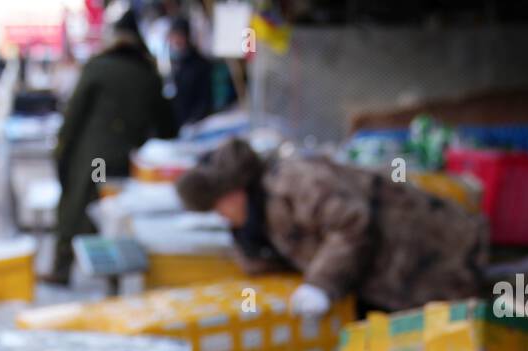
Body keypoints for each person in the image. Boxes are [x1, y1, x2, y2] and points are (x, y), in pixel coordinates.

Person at [176, 139, 489, 318]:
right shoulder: (259, 218)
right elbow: (274, 259)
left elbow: (352, 224)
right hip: (395, 281)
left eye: (219, 205)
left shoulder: (295, 180)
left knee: (480, 315)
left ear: (235, 191)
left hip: (432, 251)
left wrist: (322, 284)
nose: (221, 215)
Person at [46, 8, 177, 285]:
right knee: (115, 217)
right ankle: (114, 281)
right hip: (126, 160)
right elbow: (167, 126)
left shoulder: (98, 67)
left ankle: (62, 269)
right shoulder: (148, 74)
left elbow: (73, 116)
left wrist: (61, 151)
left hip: (96, 160)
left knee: (79, 208)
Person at [168, 17, 213, 128]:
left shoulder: (199, 64)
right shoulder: (171, 60)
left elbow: (204, 99)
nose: (176, 40)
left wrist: (193, 121)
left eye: (180, 36)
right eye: (174, 36)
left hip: (196, 125)